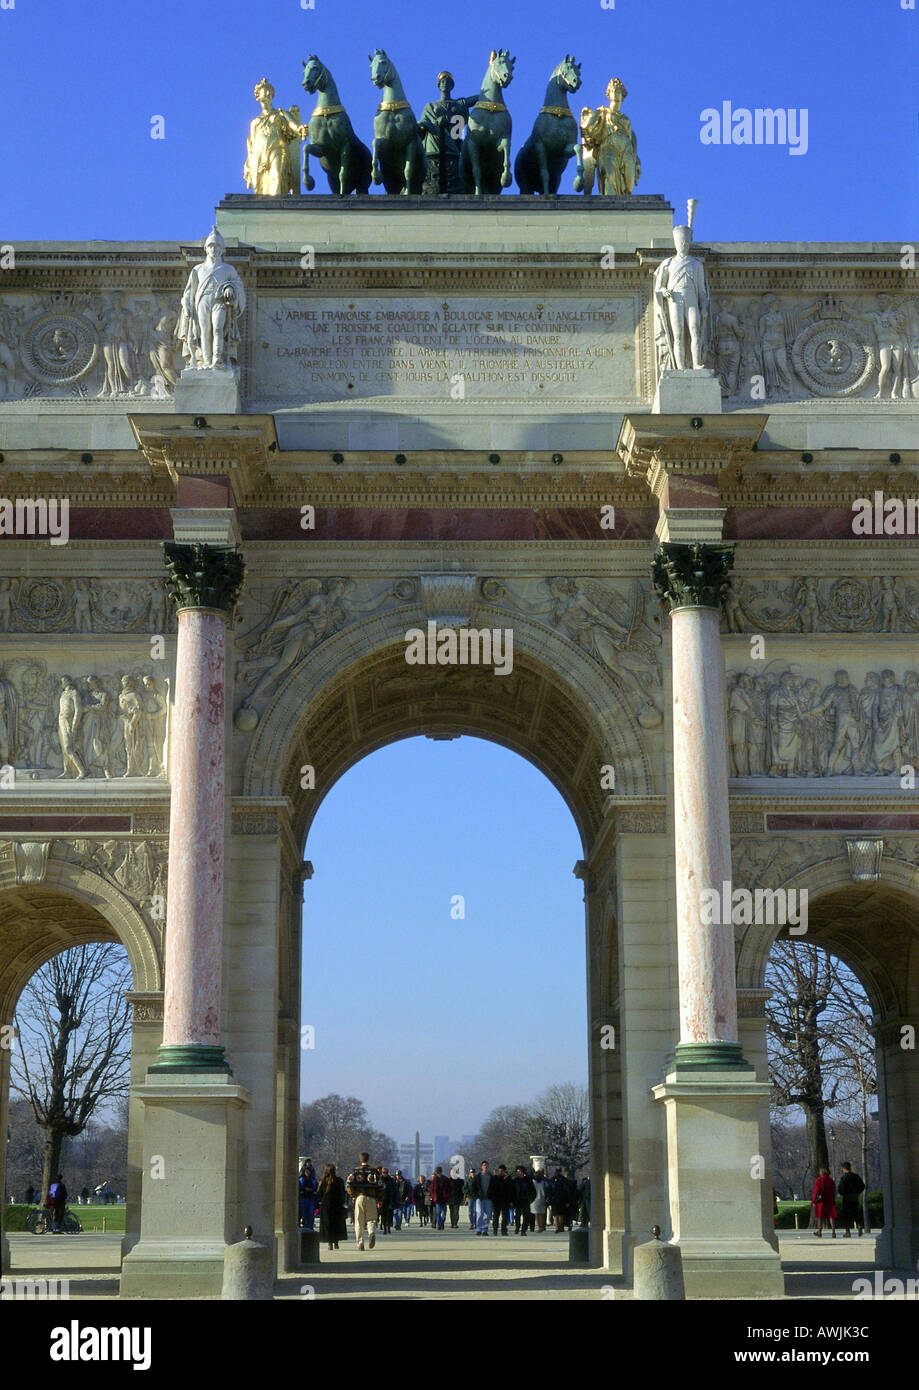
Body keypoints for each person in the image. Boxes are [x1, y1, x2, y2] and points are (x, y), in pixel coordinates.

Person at [346, 1152, 385, 1252]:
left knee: (359, 1221)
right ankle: (371, 1232)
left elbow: (348, 1184)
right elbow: (381, 1186)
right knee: (371, 1219)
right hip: (371, 1198)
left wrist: (353, 1195)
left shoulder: (355, 1171)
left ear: (360, 1159)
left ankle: (360, 1242)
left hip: (359, 1197)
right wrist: (380, 1199)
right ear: (368, 1159)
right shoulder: (374, 1171)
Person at [317, 1163, 348, 1251]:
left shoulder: (322, 1181)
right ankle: (336, 1241)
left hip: (326, 1205)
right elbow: (342, 1194)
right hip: (337, 1205)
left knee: (328, 1224)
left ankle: (329, 1243)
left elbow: (319, 1194)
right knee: (336, 1224)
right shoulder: (339, 1181)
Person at [838, 1162, 866, 1237]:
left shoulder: (844, 1178)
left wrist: (843, 1193)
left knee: (846, 1215)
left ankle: (848, 1231)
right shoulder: (856, 1177)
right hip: (854, 1197)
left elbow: (840, 1189)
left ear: (844, 1169)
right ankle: (859, 1225)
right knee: (855, 1213)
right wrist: (857, 1192)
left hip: (847, 1198)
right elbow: (862, 1186)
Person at [811, 1167, 837, 1238]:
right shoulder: (831, 1181)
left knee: (820, 1216)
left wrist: (813, 1200)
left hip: (821, 1201)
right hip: (830, 1200)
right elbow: (834, 1190)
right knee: (831, 1216)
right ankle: (833, 1232)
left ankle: (819, 1231)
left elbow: (816, 1191)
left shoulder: (818, 1180)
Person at [470, 1161, 494, 1236]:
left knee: (487, 1214)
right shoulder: (478, 1176)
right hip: (479, 1198)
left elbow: (494, 1187)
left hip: (488, 1198)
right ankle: (478, 1229)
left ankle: (485, 1230)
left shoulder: (491, 1177)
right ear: (481, 1167)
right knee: (480, 1213)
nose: (485, 1166)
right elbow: (472, 1187)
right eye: (484, 1165)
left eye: (486, 1165)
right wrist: (475, 1196)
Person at [491, 1164, 513, 1236]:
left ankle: (504, 1230)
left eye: (502, 1171)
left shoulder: (509, 1179)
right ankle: (495, 1230)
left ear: (505, 1171)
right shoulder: (495, 1178)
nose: (501, 1172)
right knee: (495, 1217)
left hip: (505, 1201)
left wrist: (511, 1201)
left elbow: (511, 1191)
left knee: (505, 1217)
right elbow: (492, 1188)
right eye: (500, 1171)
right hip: (496, 1201)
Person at [513, 1166, 536, 1234]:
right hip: (517, 1200)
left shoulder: (528, 1180)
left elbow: (533, 1190)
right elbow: (512, 1191)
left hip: (526, 1200)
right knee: (517, 1215)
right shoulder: (515, 1180)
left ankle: (523, 1230)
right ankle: (517, 1227)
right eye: (517, 1172)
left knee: (526, 1216)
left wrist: (532, 1199)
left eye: (520, 1172)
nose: (519, 1173)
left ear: (523, 1172)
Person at [430, 1166, 451, 1230]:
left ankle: (441, 1223)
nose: (438, 1173)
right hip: (437, 1199)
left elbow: (449, 1188)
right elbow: (432, 1189)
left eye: (439, 1172)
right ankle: (439, 1225)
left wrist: (447, 1195)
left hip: (444, 1198)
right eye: (437, 1172)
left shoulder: (445, 1179)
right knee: (438, 1213)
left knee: (444, 1213)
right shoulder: (434, 1180)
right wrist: (433, 1197)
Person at [298, 1161, 317, 1230]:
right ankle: (305, 1227)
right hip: (303, 1198)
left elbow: (315, 1188)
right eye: (306, 1171)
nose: (308, 1173)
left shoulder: (313, 1180)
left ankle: (310, 1227)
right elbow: (299, 1188)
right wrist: (304, 1189)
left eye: (309, 1171)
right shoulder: (301, 1179)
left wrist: (311, 1190)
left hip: (311, 1198)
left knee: (311, 1214)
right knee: (304, 1213)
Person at [378, 1167, 395, 1235]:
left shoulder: (391, 1180)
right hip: (381, 1199)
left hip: (389, 1199)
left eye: (386, 1172)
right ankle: (384, 1228)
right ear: (381, 1173)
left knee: (389, 1215)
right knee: (383, 1215)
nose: (385, 1174)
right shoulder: (379, 1179)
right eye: (383, 1172)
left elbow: (394, 1189)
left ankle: (388, 1228)